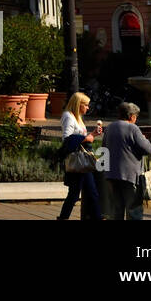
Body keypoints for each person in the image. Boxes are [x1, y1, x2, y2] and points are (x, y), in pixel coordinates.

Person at [103, 102, 151, 220]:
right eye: (136, 116)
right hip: (130, 176)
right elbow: (148, 149)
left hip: (111, 175)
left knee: (116, 210)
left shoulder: (109, 128)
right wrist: (145, 140)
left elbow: (104, 148)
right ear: (131, 116)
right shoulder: (133, 128)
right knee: (133, 210)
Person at [57, 91, 102, 220]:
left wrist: (93, 134)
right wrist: (88, 138)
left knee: (83, 193)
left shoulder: (77, 117)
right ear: (78, 104)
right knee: (78, 194)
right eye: (86, 105)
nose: (88, 108)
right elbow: (67, 139)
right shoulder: (68, 116)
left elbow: (82, 137)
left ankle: (64, 217)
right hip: (78, 160)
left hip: (82, 160)